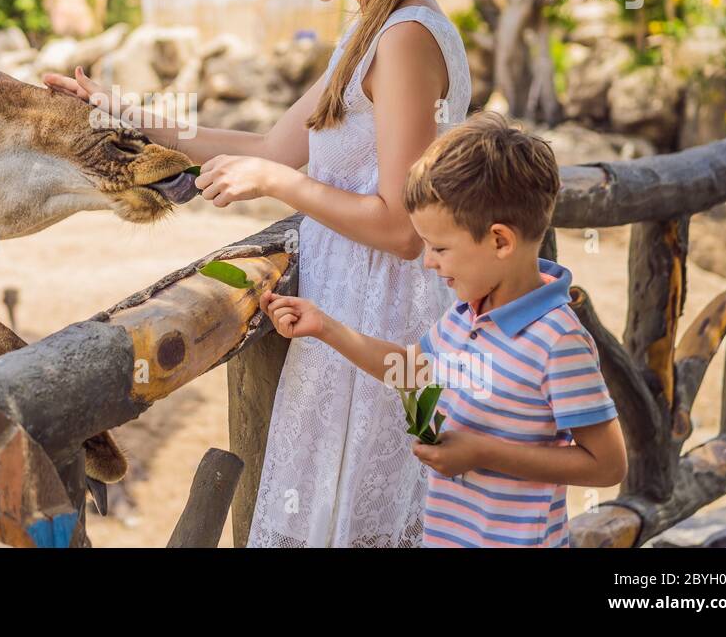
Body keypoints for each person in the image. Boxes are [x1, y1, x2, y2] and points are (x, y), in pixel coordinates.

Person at [44, 0, 471, 546]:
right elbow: (272, 144)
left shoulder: (405, 40)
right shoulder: (371, 26)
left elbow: (402, 227)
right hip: (346, 305)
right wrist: (121, 112)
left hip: (381, 318)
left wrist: (281, 186)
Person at [261, 113, 627, 547]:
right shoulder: (464, 314)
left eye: (440, 248)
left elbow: (607, 466)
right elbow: (412, 371)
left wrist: (483, 454)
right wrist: (326, 328)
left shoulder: (557, 342)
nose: (429, 262)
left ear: (500, 242)